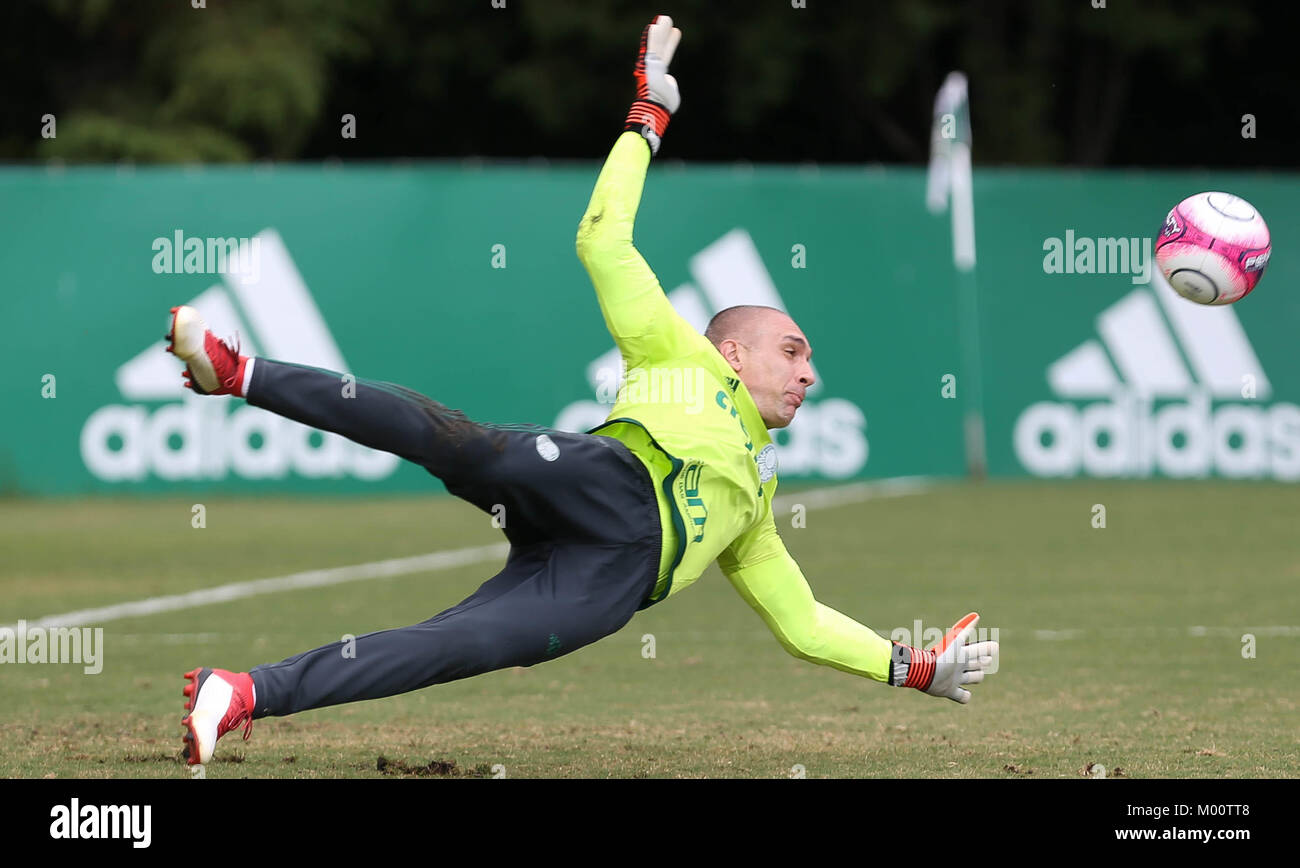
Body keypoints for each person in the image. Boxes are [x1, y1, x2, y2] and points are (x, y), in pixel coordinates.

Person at [172, 15, 997, 767]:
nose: (810, 372)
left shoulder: (756, 492)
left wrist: (914, 667)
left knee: (454, 646)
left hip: (608, 585)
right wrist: (649, 116)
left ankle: (242, 692)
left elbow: (803, 622)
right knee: (456, 442)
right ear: (734, 355)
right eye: (793, 350)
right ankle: (240, 372)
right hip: (606, 481)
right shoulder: (682, 354)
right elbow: (604, 241)